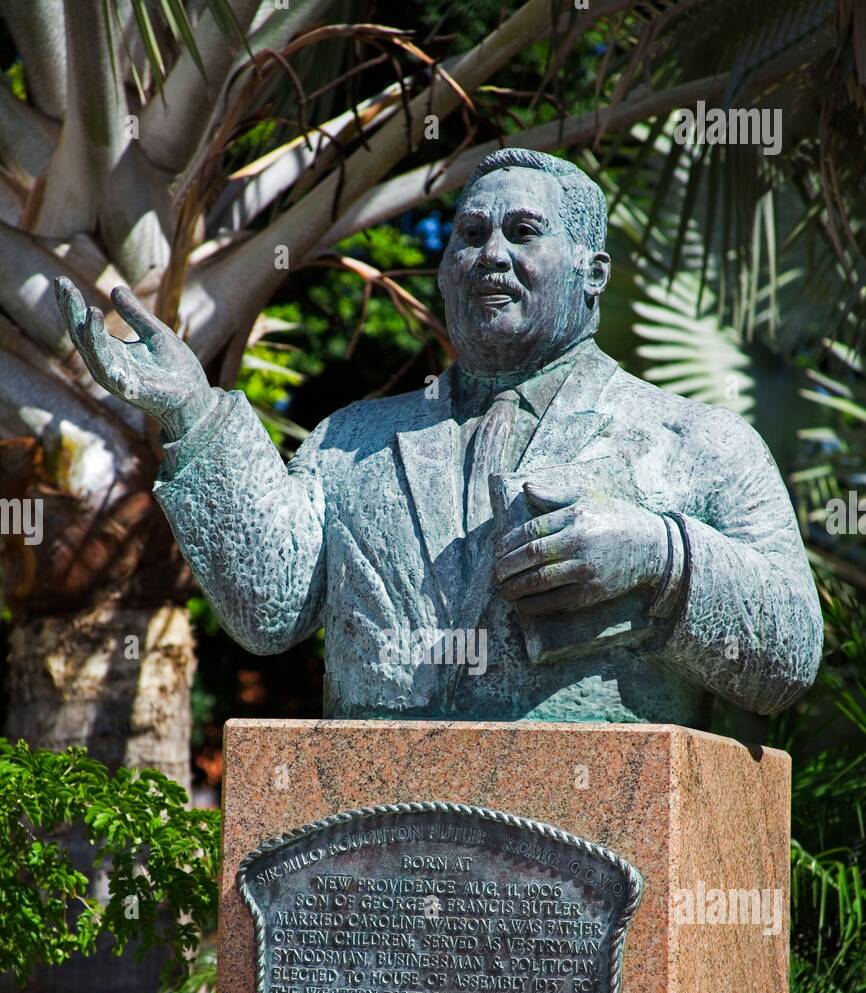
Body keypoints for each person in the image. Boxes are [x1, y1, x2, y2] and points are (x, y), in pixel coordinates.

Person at [55, 147, 822, 726]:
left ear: (593, 274)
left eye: (524, 232)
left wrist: (661, 558)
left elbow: (788, 655)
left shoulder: (695, 442)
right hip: (378, 852)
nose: (492, 254)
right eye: (471, 234)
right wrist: (193, 411)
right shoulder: (353, 441)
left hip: (585, 847)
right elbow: (270, 609)